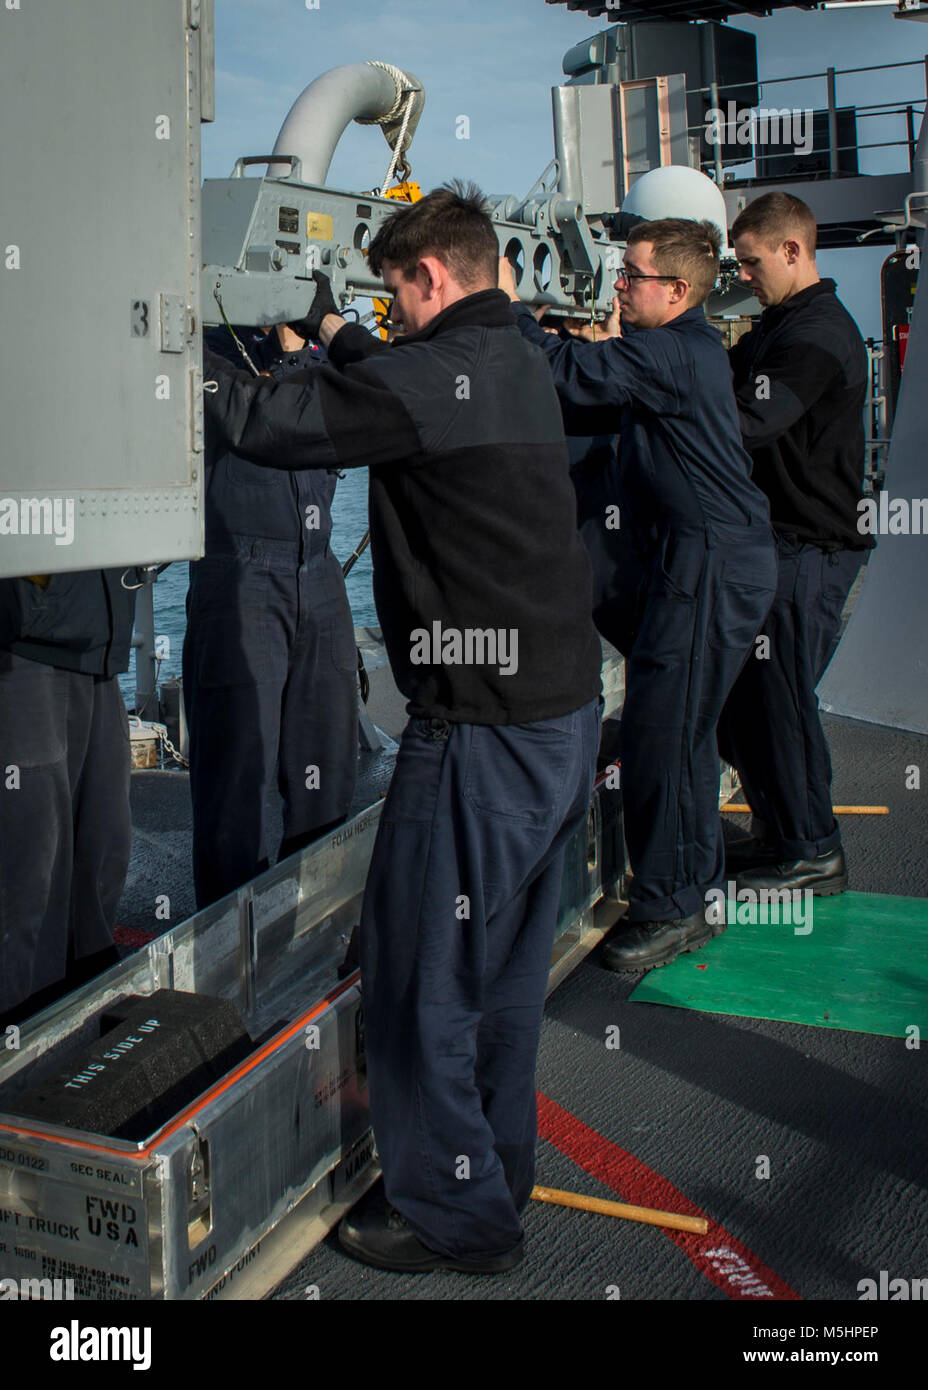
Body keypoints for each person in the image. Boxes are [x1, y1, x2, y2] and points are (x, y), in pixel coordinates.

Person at [200, 181, 603, 1274]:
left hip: (478, 737)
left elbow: (265, 423)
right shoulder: (514, 353)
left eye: (394, 295)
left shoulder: (436, 378)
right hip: (561, 722)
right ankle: (494, 1171)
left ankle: (453, 1214)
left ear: (429, 278)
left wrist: (169, 357)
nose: (394, 315)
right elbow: (400, 380)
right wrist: (333, 325)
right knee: (505, 980)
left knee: (420, 972)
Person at [501, 217, 777, 972]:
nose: (618, 286)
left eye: (630, 276)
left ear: (678, 290)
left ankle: (669, 908)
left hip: (711, 565)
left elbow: (564, 374)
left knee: (663, 735)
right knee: (681, 731)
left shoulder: (670, 351)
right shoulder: (682, 350)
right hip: (711, 558)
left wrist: (506, 311)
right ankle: (692, 889)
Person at [718, 192, 873, 896]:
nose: (744, 275)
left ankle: (815, 850)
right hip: (777, 543)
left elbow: (752, 419)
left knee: (783, 698)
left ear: (793, 251)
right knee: (752, 699)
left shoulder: (818, 335)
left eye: (752, 262)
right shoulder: (777, 325)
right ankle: (779, 834)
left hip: (812, 548)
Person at [184, 321, 358, 910]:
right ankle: (227, 956)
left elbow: (361, 405)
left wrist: (302, 348)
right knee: (237, 782)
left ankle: (315, 925)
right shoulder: (204, 346)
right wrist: (288, 358)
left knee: (326, 769)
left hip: (320, 572)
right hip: (240, 573)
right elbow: (256, 418)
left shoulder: (321, 358)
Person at [0, 568, 136, 1023]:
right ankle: (21, 1056)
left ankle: (86, 1020)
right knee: (29, 874)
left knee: (105, 844)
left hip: (99, 642)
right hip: (22, 644)